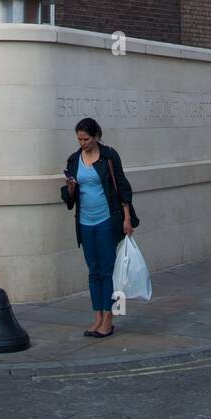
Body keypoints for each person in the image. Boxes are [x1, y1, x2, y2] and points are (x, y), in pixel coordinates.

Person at [61, 118, 135, 339]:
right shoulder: (74, 160)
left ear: (96, 136)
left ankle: (109, 319)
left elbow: (122, 187)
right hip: (84, 222)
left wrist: (127, 218)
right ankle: (97, 317)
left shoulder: (109, 156)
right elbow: (69, 199)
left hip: (106, 220)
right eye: (79, 139)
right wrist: (71, 188)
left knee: (107, 271)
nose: (82, 143)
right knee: (93, 271)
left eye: (86, 139)